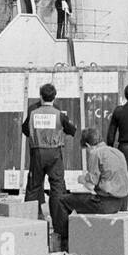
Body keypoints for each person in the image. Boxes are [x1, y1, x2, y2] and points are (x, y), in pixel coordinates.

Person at [55, 128, 128, 246]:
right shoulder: (117, 152)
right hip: (121, 202)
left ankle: (65, 241)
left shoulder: (96, 153)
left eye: (86, 149)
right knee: (80, 201)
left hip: (105, 204)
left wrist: (81, 179)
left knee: (62, 200)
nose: (88, 152)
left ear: (88, 145)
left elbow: (91, 184)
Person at [22, 84, 77, 230]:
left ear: (40, 96)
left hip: (37, 152)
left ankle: (29, 224)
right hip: (54, 153)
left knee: (33, 187)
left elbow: (25, 129)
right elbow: (72, 130)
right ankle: (60, 226)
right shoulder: (59, 113)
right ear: (54, 97)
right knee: (57, 188)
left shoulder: (33, 113)